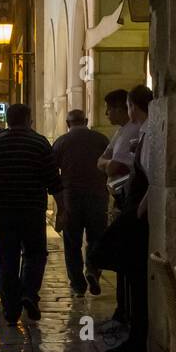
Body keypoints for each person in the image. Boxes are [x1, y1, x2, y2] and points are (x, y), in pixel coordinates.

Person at [0, 103, 62, 326]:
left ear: (7, 119)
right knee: (35, 254)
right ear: (28, 119)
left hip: (4, 212)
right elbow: (53, 180)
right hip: (32, 210)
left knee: (7, 258)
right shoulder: (40, 143)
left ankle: (11, 309)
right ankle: (29, 293)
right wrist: (62, 208)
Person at [93, 85, 153, 352]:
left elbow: (153, 179)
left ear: (131, 106)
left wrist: (139, 210)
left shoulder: (147, 133)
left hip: (135, 213)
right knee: (127, 271)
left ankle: (137, 337)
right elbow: (106, 161)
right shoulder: (139, 132)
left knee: (126, 269)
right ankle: (130, 326)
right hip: (129, 207)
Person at [51, 110, 110, 297]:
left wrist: (59, 205)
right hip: (97, 195)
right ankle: (92, 270)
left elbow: (52, 174)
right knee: (96, 238)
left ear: (68, 124)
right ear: (86, 120)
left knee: (72, 242)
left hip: (71, 197)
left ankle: (77, 285)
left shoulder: (60, 142)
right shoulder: (101, 139)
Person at [95, 88, 140, 326]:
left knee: (116, 253)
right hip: (118, 197)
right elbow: (103, 159)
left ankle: (127, 315)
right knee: (118, 256)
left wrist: (108, 164)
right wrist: (108, 164)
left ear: (125, 107)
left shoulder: (136, 131)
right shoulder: (121, 131)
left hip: (128, 200)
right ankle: (122, 312)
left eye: (110, 108)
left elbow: (112, 166)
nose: (106, 113)